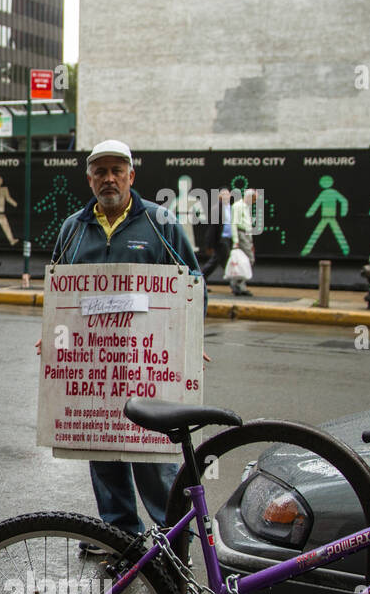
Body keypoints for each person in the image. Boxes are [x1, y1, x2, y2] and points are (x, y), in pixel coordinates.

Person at [49, 140, 203, 551]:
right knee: (101, 447)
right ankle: (120, 536)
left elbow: (192, 281)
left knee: (151, 451)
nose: (109, 178)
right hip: (94, 364)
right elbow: (59, 289)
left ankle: (173, 541)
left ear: (132, 176)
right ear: (89, 179)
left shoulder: (160, 222)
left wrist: (190, 338)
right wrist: (51, 333)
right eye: (100, 171)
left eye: (117, 170)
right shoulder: (73, 228)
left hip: (146, 361)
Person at [228, 187, 256, 297]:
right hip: (241, 235)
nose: (254, 202)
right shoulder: (237, 206)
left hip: (246, 236)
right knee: (248, 260)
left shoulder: (246, 207)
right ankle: (237, 284)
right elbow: (234, 223)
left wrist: (251, 241)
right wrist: (236, 240)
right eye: (253, 199)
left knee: (246, 261)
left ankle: (238, 285)